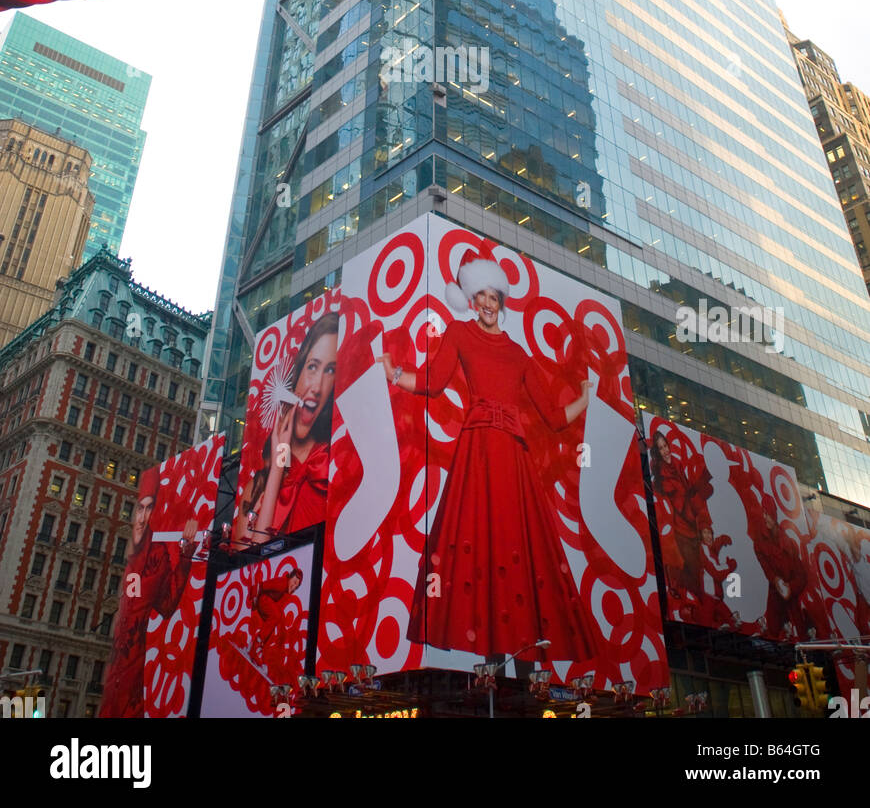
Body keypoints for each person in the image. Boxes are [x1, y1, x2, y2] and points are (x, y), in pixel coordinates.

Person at [380, 253, 598, 663]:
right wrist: (392, 373)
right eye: (478, 294)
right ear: (469, 298)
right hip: (477, 451)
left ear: (501, 301)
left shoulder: (518, 354)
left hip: (513, 459)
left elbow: (553, 417)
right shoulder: (460, 334)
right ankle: (488, 660)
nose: (485, 302)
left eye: (492, 295)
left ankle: (525, 661)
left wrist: (585, 399)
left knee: (517, 547)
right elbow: (432, 382)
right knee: (477, 544)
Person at [99, 470, 197, 717]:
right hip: (113, 668)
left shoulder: (157, 555)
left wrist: (185, 556)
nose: (141, 518)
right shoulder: (131, 553)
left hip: (133, 671)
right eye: (139, 510)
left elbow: (166, 605)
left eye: (148, 509)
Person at [235, 313, 338, 546]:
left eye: (330, 370)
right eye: (312, 366)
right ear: (298, 373)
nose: (317, 387)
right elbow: (247, 562)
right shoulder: (259, 485)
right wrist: (279, 462)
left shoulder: (336, 464)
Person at [648, 429, 712, 600]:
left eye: (666, 445)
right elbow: (681, 503)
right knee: (697, 582)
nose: (666, 450)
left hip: (692, 526)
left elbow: (689, 491)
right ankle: (674, 575)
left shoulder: (677, 464)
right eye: (661, 448)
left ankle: (676, 576)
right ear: (658, 452)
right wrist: (700, 487)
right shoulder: (664, 476)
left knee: (697, 571)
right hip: (683, 529)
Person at [749, 494, 809, 639]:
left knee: (800, 638)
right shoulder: (759, 542)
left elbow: (802, 576)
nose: (765, 517)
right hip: (775, 594)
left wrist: (790, 588)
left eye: (767, 513)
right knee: (773, 634)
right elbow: (766, 568)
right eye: (763, 513)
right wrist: (776, 580)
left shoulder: (788, 542)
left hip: (791, 599)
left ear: (773, 514)